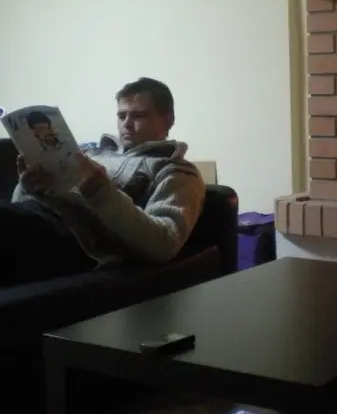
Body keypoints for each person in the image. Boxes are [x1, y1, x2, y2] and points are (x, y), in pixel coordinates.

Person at [0, 78, 205, 285]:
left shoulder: (175, 170)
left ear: (168, 121)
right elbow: (20, 204)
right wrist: (28, 186)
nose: (126, 124)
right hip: (33, 218)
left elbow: (165, 243)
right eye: (121, 115)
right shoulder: (91, 151)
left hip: (76, 241)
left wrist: (99, 189)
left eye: (139, 115)